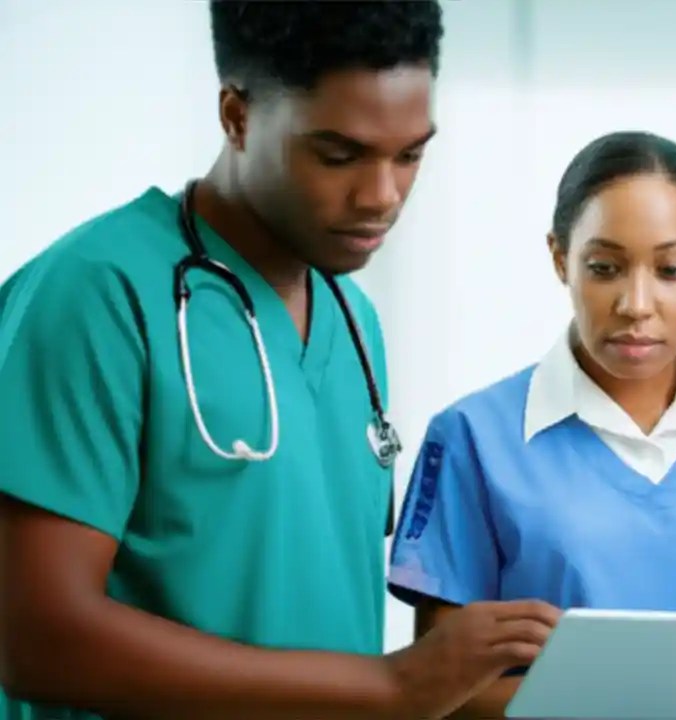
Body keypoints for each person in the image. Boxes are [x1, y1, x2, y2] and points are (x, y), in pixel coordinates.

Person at [0, 3, 560, 720]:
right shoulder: (97, 295)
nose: (381, 196)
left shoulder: (355, 324)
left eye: (410, 154)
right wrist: (391, 688)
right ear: (236, 115)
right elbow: (39, 640)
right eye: (338, 155)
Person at [387, 130, 676, 720]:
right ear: (559, 258)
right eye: (604, 268)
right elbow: (439, 692)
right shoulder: (474, 438)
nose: (636, 303)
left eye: (672, 269)